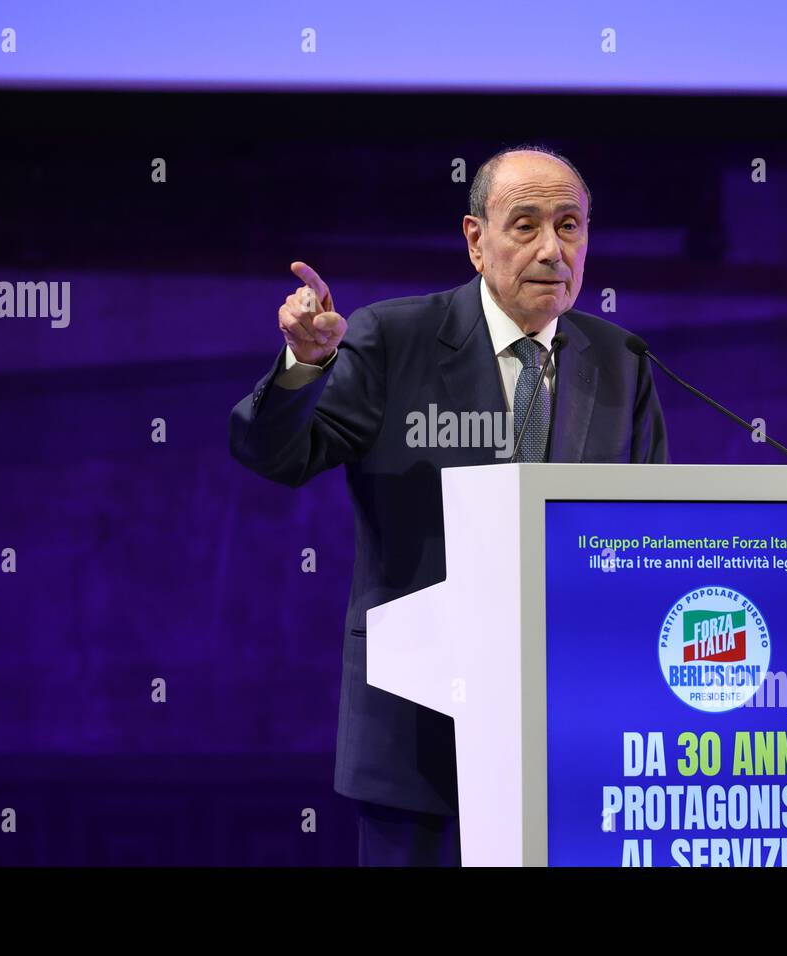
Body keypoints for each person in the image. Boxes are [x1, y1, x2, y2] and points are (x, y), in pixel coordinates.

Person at [229, 145, 668, 866]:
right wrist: (303, 366)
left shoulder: (622, 359)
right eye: (524, 225)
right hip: (419, 738)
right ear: (475, 240)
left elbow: (655, 534)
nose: (552, 249)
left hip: (574, 745)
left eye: (570, 225)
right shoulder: (391, 338)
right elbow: (276, 456)